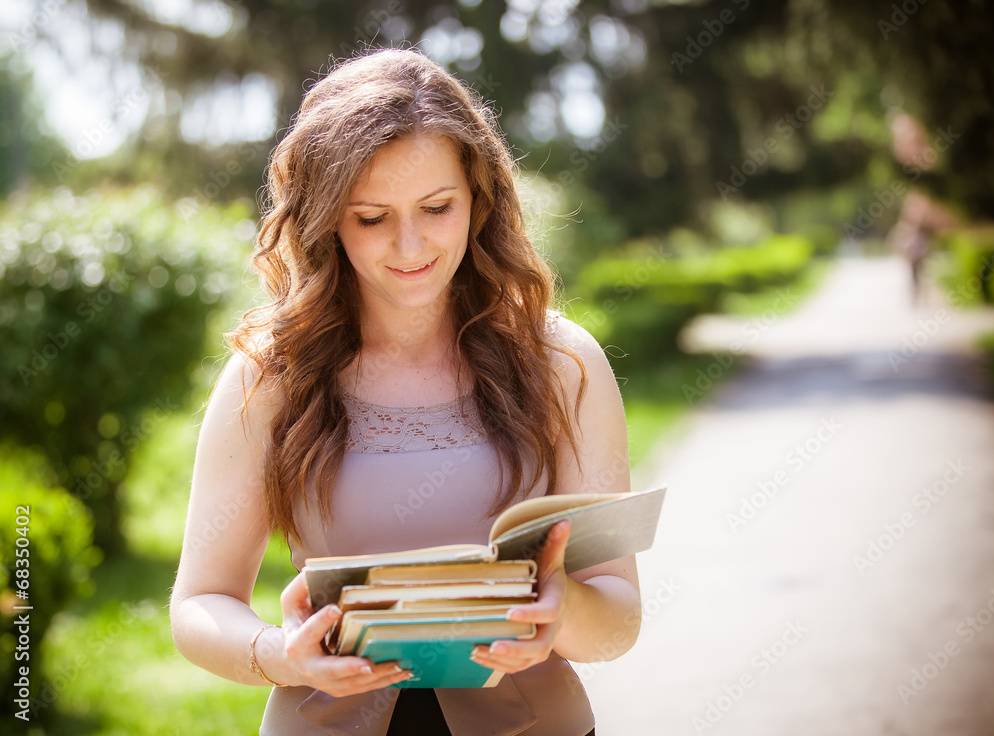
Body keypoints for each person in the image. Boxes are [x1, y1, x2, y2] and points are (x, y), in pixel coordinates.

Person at [169, 48, 641, 736]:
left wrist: (560, 607)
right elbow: (199, 603)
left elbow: (619, 618)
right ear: (326, 218)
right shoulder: (269, 374)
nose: (410, 244)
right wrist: (281, 655)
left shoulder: (563, 362)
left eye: (437, 207)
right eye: (371, 217)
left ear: (479, 198)